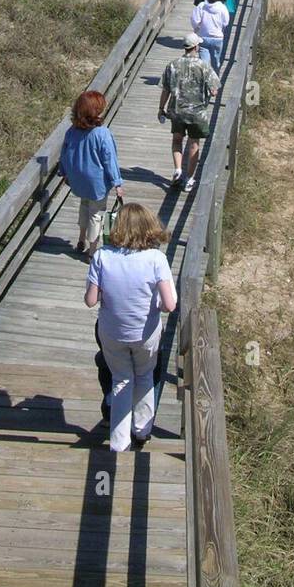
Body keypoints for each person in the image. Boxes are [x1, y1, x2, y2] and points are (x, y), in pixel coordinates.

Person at [84, 203, 177, 452]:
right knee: (145, 375)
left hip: (112, 332)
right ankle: (142, 429)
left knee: (121, 380)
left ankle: (118, 441)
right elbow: (169, 305)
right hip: (145, 333)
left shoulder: (102, 256)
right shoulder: (156, 259)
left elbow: (91, 300)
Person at [59, 90, 123, 254]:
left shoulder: (72, 131)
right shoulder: (102, 134)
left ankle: (81, 239)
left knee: (84, 205)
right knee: (96, 214)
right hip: (97, 183)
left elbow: (64, 154)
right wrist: (117, 182)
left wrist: (64, 172)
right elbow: (110, 159)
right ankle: (92, 250)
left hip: (78, 181)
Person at [158, 32, 219, 192]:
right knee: (193, 144)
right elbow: (214, 91)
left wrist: (161, 108)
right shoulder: (204, 66)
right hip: (197, 113)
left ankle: (178, 169)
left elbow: (165, 89)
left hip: (177, 111)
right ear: (196, 47)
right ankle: (189, 179)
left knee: (177, 141)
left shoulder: (172, 65)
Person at [190, 0, 229, 72]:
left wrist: (196, 29)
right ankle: (215, 81)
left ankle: (205, 81)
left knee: (204, 63)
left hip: (203, 37)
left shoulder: (202, 6)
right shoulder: (222, 7)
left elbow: (195, 20)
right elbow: (225, 22)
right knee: (216, 62)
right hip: (217, 38)